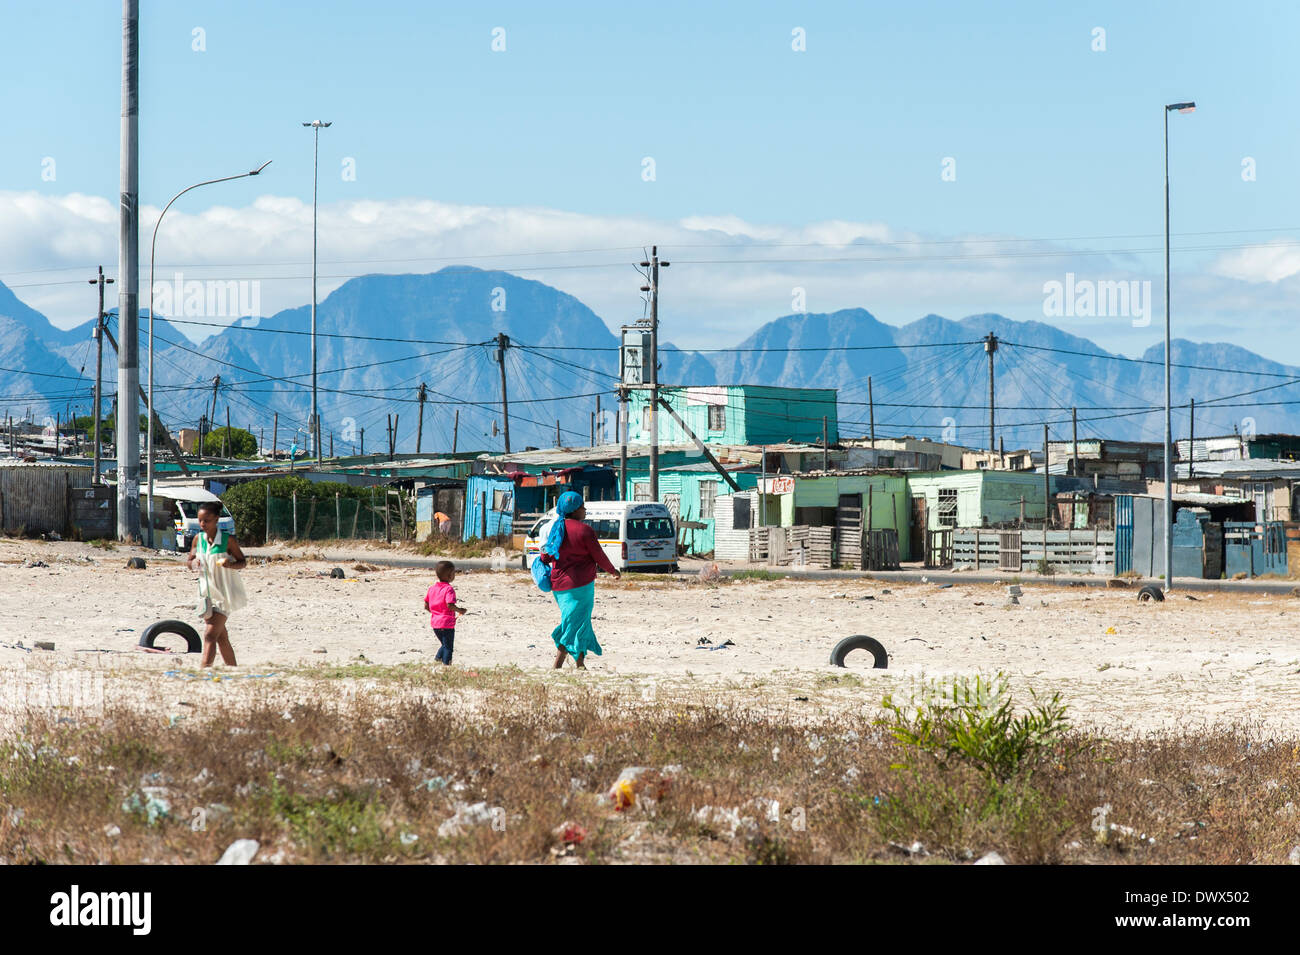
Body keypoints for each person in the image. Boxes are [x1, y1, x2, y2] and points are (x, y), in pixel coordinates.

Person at [537, 491, 620, 669]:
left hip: (558, 586)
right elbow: (599, 556)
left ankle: (580, 664)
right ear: (574, 510)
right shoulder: (585, 531)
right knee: (574, 623)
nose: (585, 509)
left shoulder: (556, 528)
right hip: (581, 585)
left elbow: (546, 556)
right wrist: (613, 571)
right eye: (582, 506)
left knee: (580, 621)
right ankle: (557, 665)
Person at [186, 500, 247, 668]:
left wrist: (230, 564)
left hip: (225, 593)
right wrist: (194, 564)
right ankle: (233, 669)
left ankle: (204, 670)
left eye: (207, 520)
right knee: (221, 637)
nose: (202, 524)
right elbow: (189, 561)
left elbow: (243, 562)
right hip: (207, 594)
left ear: (217, 520)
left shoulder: (228, 540)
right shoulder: (198, 539)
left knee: (209, 635)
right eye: (200, 520)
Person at [424, 559, 466, 664]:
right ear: (449, 576)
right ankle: (446, 665)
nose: (454, 575)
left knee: (444, 644)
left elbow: (426, 606)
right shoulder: (449, 589)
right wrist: (460, 610)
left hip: (435, 624)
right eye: (453, 573)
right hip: (446, 624)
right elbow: (449, 605)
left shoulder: (432, 588)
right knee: (448, 647)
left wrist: (436, 613)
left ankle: (437, 660)